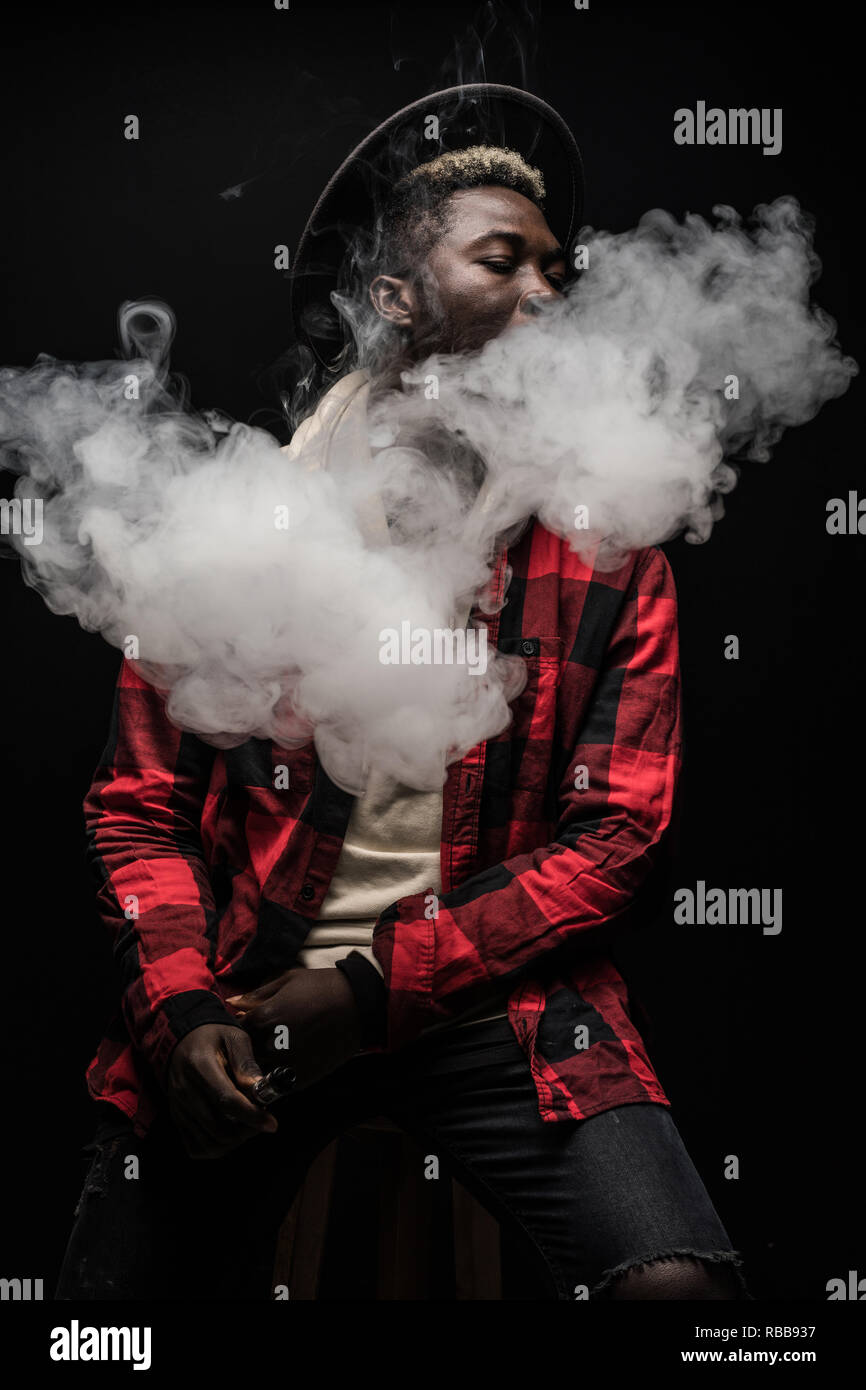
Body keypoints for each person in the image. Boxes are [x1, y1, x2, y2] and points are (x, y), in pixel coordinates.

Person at [55, 84, 750, 1301]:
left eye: (556, 267)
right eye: (502, 260)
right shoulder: (242, 517)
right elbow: (137, 807)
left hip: (494, 1006)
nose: (547, 291)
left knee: (678, 1299)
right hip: (248, 984)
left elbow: (617, 836)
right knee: (105, 1324)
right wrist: (180, 1010)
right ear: (394, 298)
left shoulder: (609, 540)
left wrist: (372, 988)